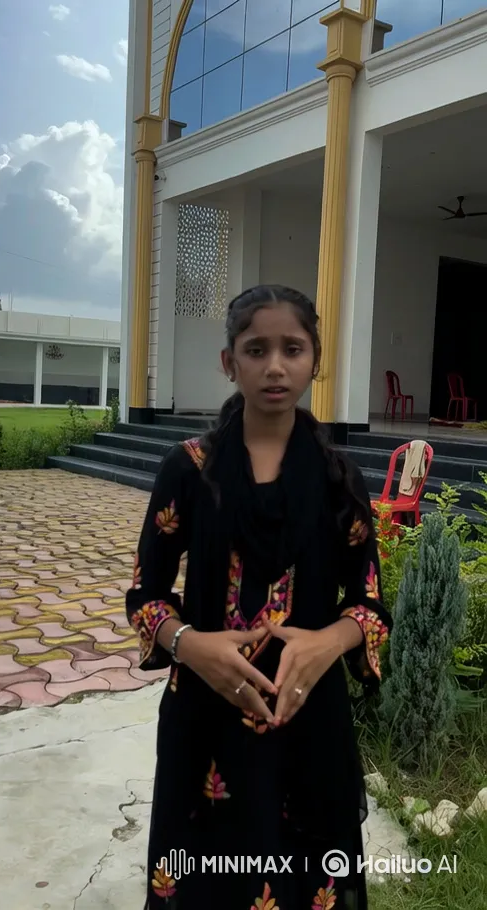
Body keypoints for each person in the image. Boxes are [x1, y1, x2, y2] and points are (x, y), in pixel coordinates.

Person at [126, 285, 392, 910]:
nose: (275, 365)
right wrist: (191, 645)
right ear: (230, 363)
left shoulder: (337, 479)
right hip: (206, 718)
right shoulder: (188, 469)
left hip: (308, 716)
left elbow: (370, 601)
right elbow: (146, 594)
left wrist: (331, 639)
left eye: (292, 348)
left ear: (315, 359)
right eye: (256, 349)